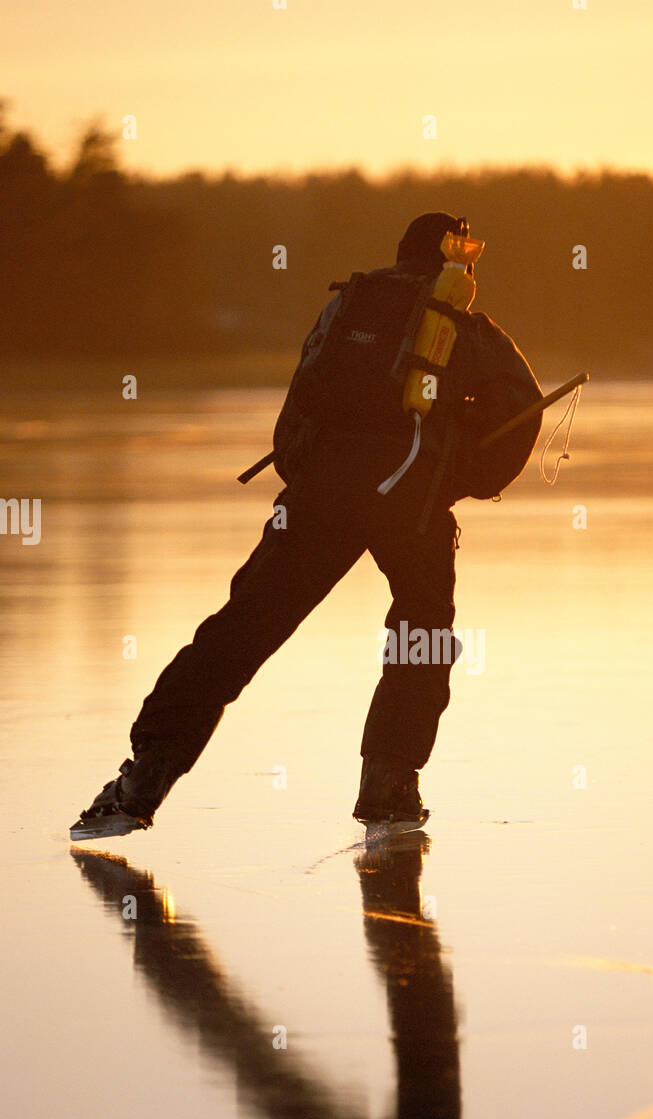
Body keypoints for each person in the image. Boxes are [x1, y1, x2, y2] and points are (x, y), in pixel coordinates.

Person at [70, 212, 543, 841]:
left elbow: (300, 406)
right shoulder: (462, 325)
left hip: (319, 499)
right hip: (412, 505)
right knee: (420, 635)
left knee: (243, 629)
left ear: (399, 255)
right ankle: (390, 787)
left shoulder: (345, 309)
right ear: (455, 265)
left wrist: (306, 484)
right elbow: (523, 407)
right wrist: (454, 480)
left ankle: (140, 781)